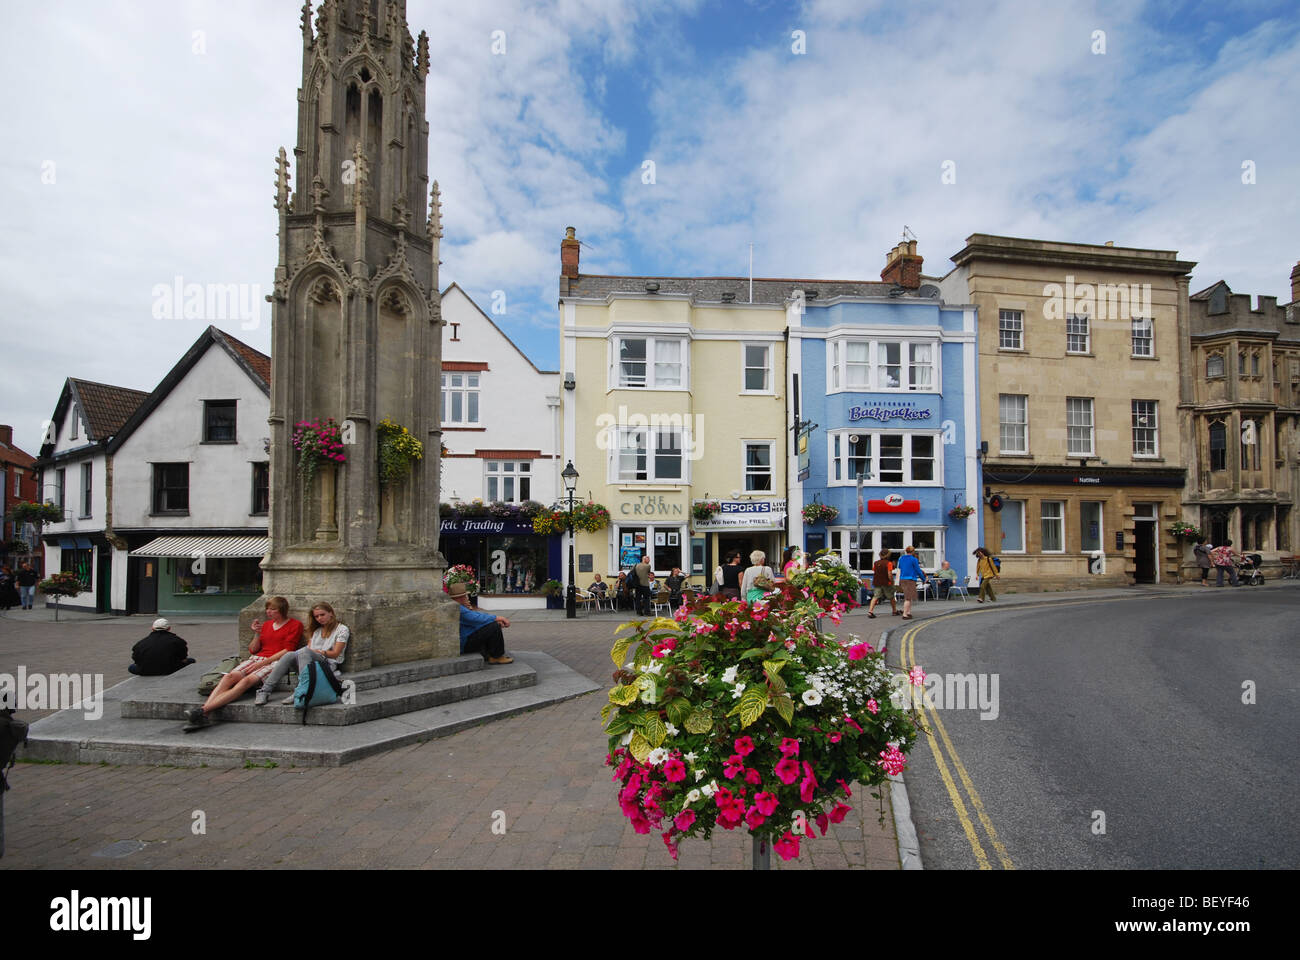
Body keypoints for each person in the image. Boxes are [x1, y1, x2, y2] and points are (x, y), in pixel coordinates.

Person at [184, 596, 304, 732]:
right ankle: (203, 712)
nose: (269, 612)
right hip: (257, 658)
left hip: (275, 661)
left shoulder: (294, 625)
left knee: (246, 681)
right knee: (229, 677)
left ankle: (204, 710)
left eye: (273, 609)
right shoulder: (266, 625)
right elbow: (253, 649)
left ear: (282, 610)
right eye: (267, 609)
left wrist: (263, 663)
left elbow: (288, 650)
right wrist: (257, 634)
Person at [255, 601, 349, 705]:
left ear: (331, 613)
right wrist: (306, 652)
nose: (319, 618)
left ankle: (300, 690)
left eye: (322, 615)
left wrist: (316, 651)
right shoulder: (317, 630)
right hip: (308, 662)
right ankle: (265, 691)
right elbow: (308, 650)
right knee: (289, 654)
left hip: (326, 664)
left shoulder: (342, 629)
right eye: (316, 616)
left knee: (304, 652)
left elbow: (336, 654)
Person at [448, 581, 513, 663]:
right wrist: (497, 618)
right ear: (460, 597)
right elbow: (476, 618)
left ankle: (490, 653)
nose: (466, 597)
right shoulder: (459, 608)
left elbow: (475, 618)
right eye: (465, 595)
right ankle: (496, 656)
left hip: (465, 640)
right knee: (494, 626)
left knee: (490, 625)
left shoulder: (458, 606)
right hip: (464, 644)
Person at [130, 618, 195, 676]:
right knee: (191, 660)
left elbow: (136, 659)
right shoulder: (178, 641)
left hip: (144, 671)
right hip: (169, 670)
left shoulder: (141, 643)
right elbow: (183, 658)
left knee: (131, 667)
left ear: (152, 628)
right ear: (169, 628)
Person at [896, 545, 929, 620]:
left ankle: (908, 613)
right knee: (908, 598)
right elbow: (918, 570)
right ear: (913, 551)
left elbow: (900, 568)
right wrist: (923, 579)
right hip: (910, 579)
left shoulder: (901, 558)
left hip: (902, 579)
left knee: (909, 596)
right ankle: (905, 614)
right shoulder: (914, 559)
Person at [866, 549, 897, 619]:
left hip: (877, 582)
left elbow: (874, 571)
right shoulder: (889, 563)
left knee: (875, 597)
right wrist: (892, 581)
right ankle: (894, 611)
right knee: (891, 597)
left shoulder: (876, 563)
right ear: (888, 555)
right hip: (886, 583)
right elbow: (889, 574)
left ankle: (870, 611)